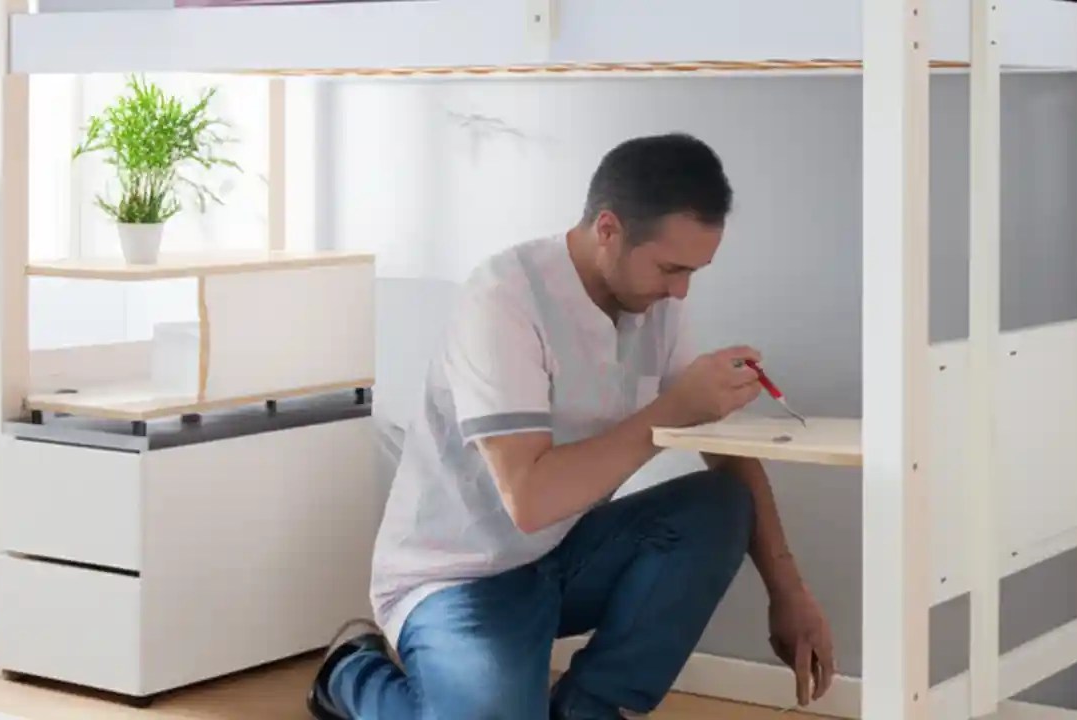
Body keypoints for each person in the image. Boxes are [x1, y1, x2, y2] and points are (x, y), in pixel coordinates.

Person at [308, 133, 836, 720]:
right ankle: (352, 672)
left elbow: (721, 448)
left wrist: (789, 591)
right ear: (608, 229)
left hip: (564, 554)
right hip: (457, 578)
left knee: (720, 504)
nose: (681, 290)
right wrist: (671, 409)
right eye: (670, 268)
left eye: (694, 271)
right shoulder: (503, 300)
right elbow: (529, 501)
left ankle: (589, 710)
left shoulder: (656, 306)